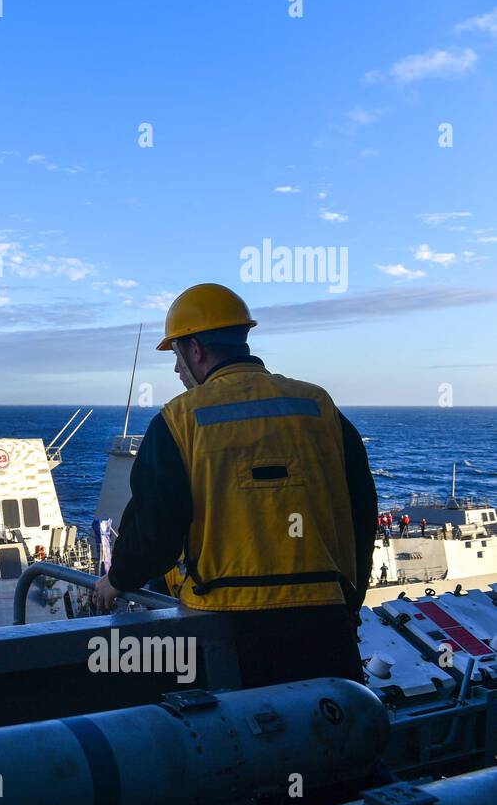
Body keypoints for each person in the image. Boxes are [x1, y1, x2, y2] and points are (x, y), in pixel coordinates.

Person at [94, 283, 375, 689]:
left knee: (242, 742)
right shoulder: (318, 405)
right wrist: (350, 600)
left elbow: (155, 531)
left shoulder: (179, 420)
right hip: (325, 624)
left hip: (228, 627)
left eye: (175, 355)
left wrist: (115, 580)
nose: (176, 369)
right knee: (331, 739)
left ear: (194, 349)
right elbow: (361, 512)